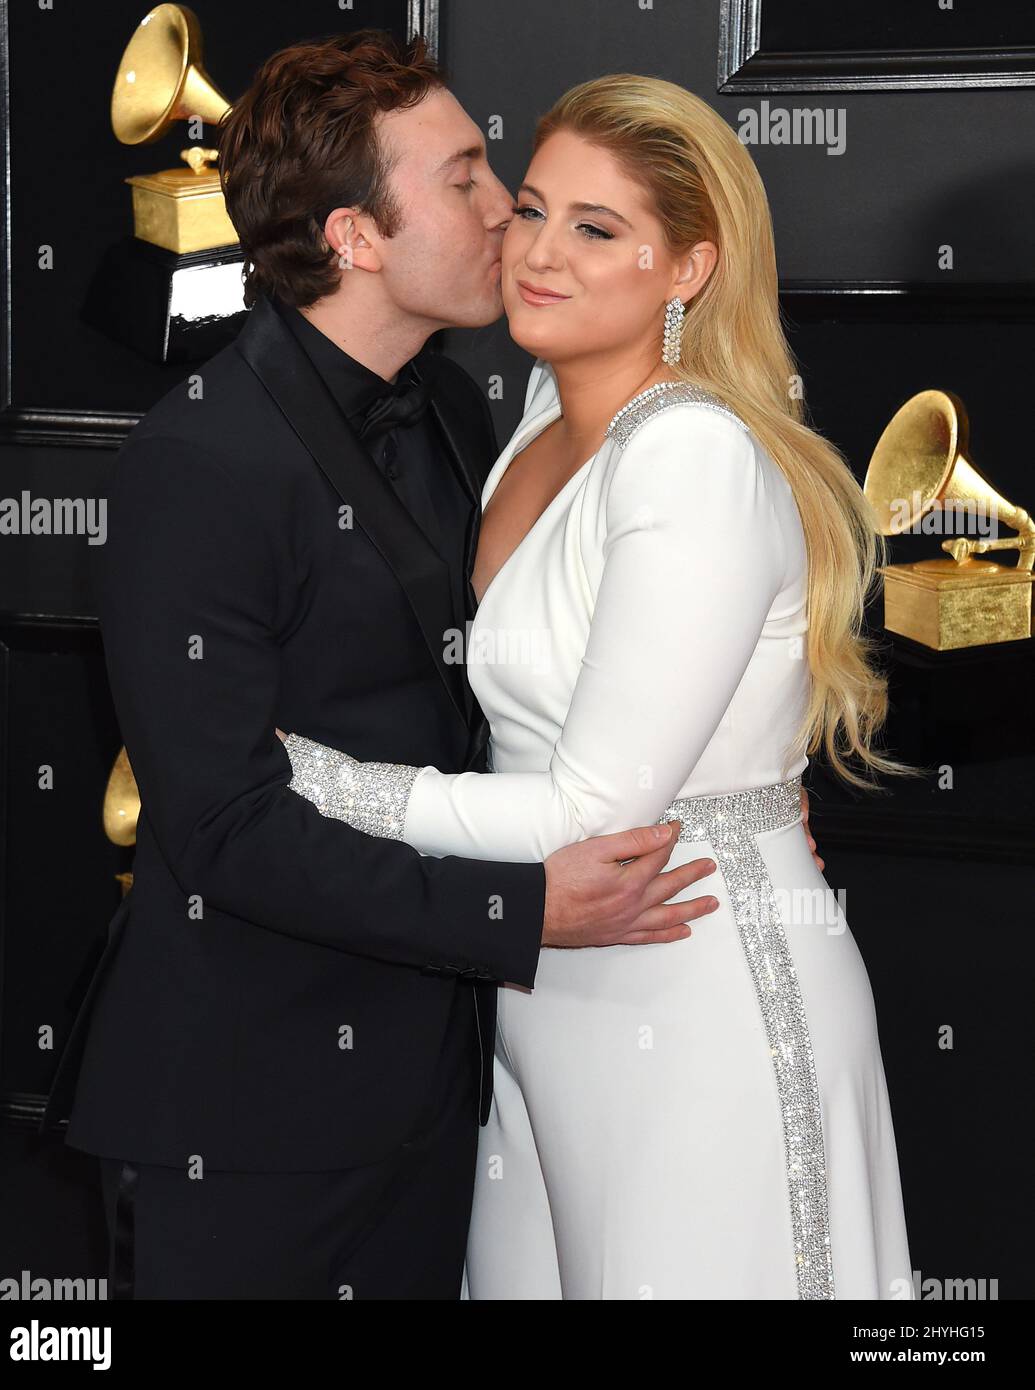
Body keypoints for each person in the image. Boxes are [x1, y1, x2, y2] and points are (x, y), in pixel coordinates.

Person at [39, 32, 729, 1301]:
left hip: (448, 1097)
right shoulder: (200, 462)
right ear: (356, 237)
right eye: (465, 178)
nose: (504, 213)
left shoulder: (469, 411)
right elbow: (227, 823)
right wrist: (520, 913)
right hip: (242, 1116)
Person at [277, 72, 915, 1299]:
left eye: (596, 228)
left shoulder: (691, 456)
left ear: (687, 269)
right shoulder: (526, 418)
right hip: (535, 987)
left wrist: (314, 780)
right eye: (529, 209)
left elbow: (589, 814)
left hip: (693, 989)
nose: (539, 254)